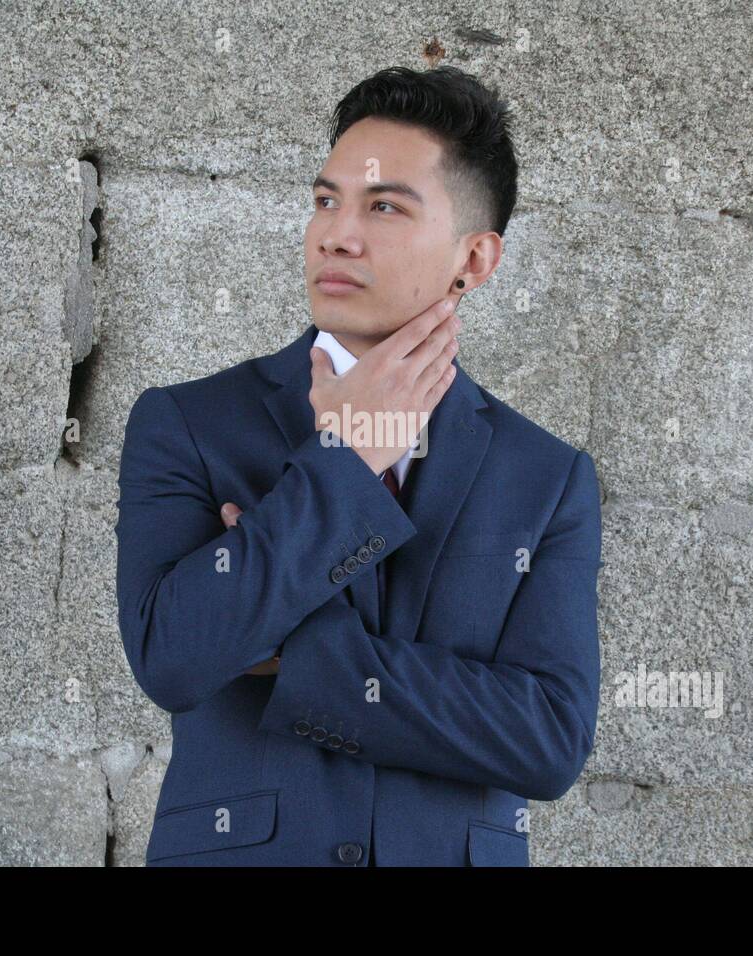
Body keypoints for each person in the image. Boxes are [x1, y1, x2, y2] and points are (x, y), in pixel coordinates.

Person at [115, 65, 603, 866]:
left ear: (474, 261)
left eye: (383, 207)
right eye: (325, 200)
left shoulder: (546, 476)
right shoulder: (190, 423)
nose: (336, 233)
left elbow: (548, 738)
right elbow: (174, 656)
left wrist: (294, 649)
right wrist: (346, 463)